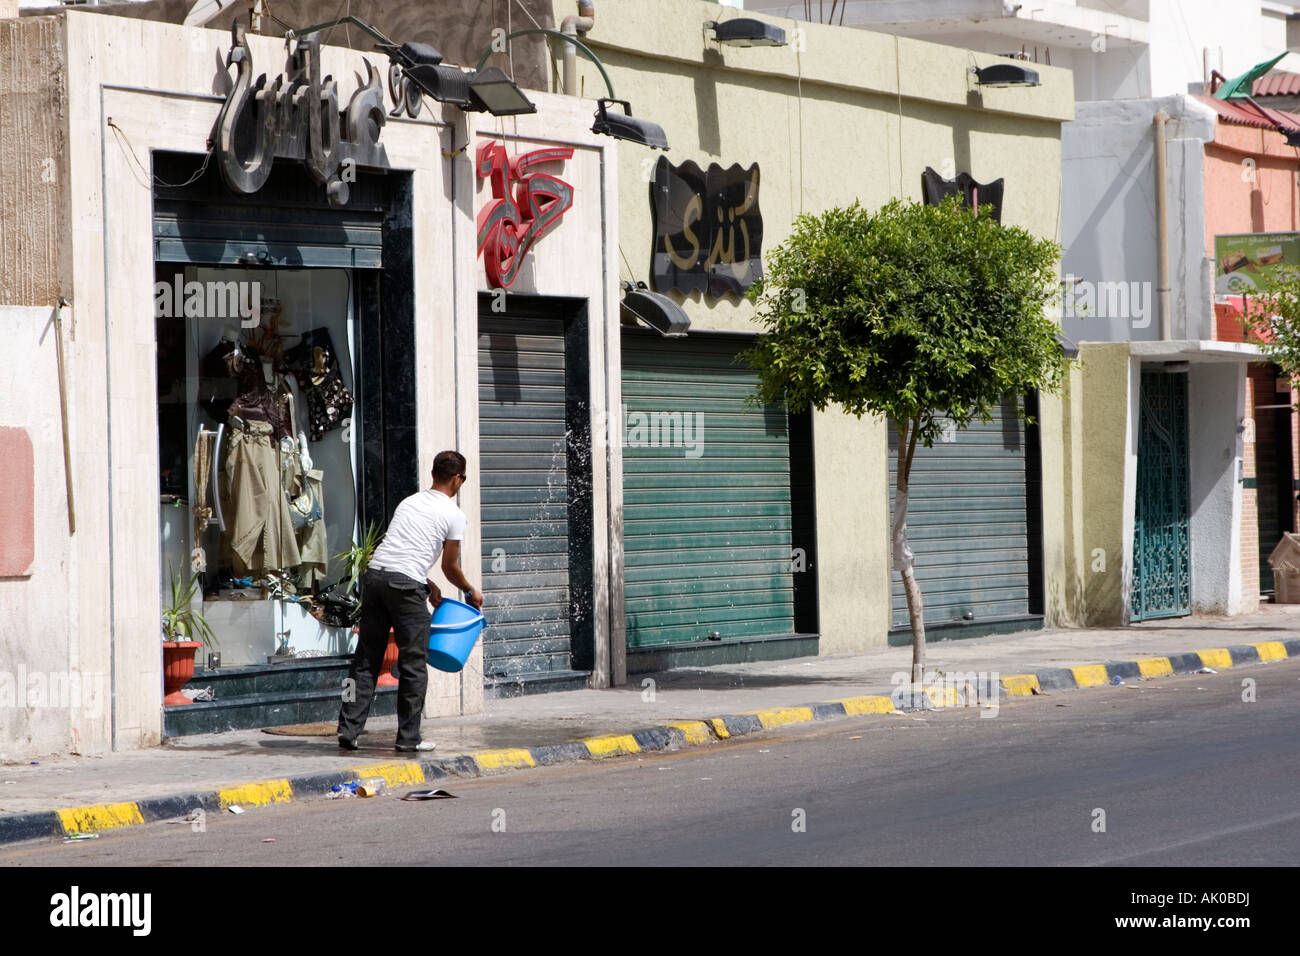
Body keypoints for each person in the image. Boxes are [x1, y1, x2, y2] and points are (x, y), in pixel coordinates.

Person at [337, 450, 484, 753]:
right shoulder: (454, 515)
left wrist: (425, 582)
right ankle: (408, 739)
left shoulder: (410, 502)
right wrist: (470, 591)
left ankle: (348, 730)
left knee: (365, 660)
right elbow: (450, 567)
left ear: (433, 474)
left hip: (376, 578)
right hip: (404, 589)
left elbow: (397, 552)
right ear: (458, 479)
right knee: (414, 663)